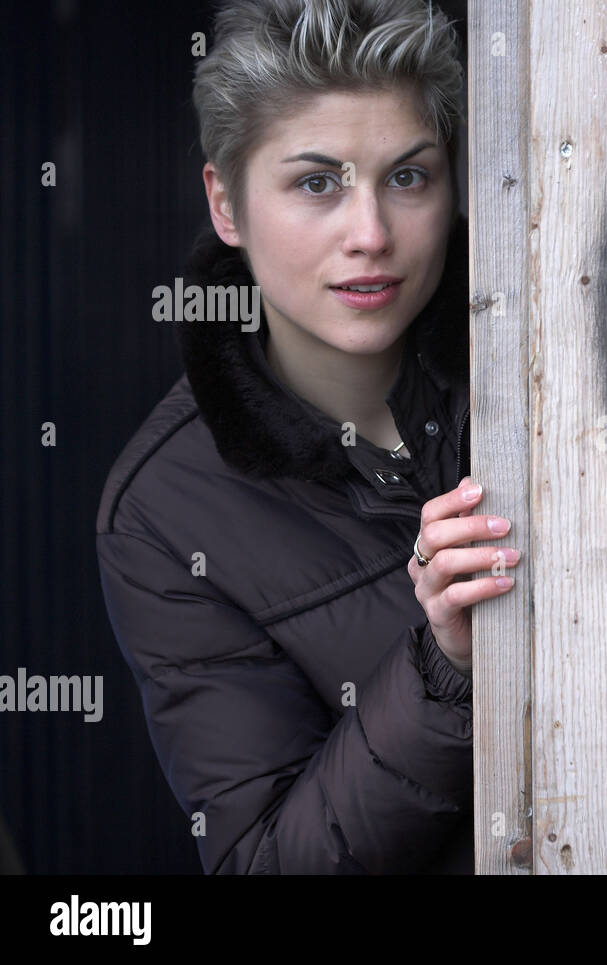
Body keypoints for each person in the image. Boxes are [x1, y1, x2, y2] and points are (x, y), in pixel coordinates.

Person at [94, 0, 517, 873]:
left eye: (408, 177)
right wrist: (442, 667)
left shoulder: (549, 351)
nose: (372, 236)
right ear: (226, 203)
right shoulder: (165, 515)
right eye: (317, 183)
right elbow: (263, 859)